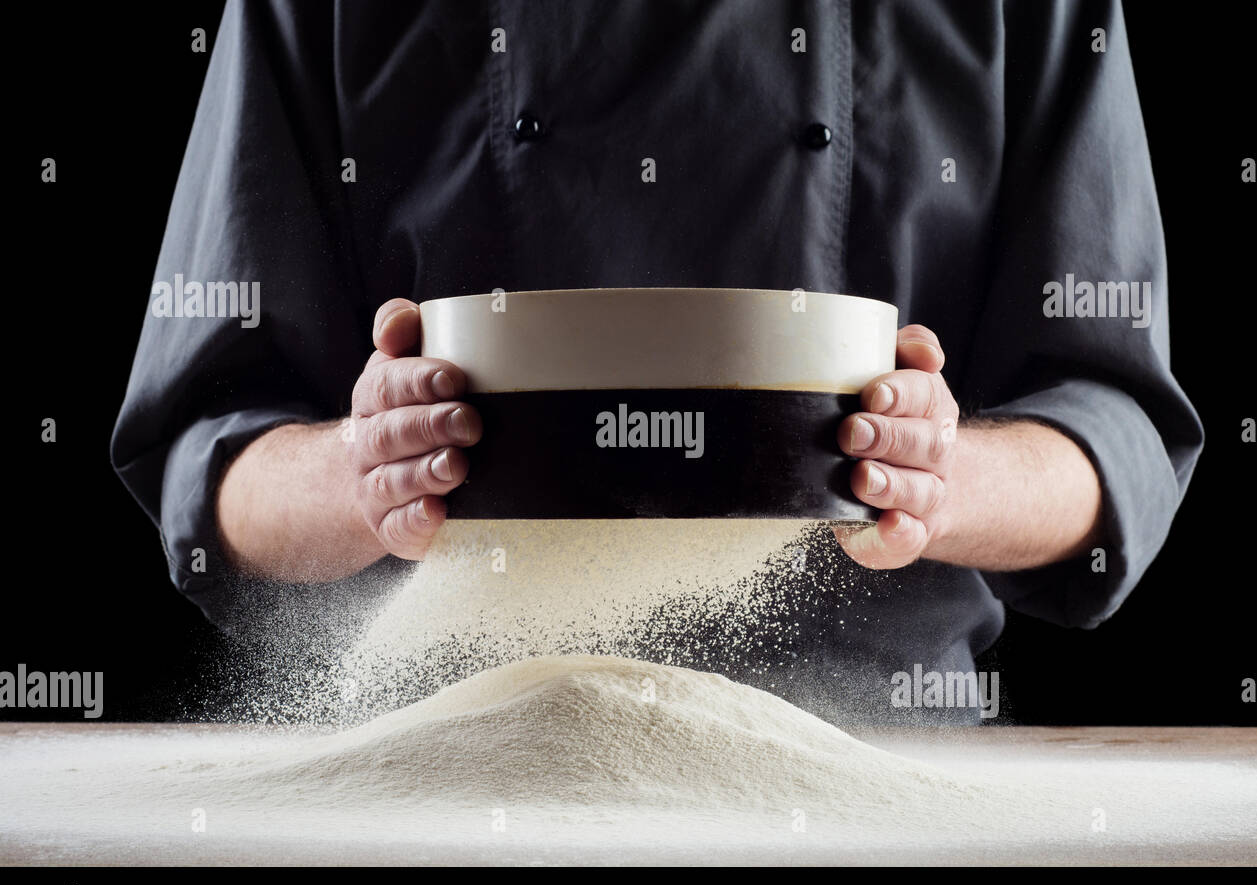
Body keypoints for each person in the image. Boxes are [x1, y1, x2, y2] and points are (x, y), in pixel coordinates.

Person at [111, 0, 1202, 722]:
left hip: (880, 766)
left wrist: (942, 475)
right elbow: (216, 467)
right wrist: (362, 470)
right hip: (444, 770)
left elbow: (1110, 427)